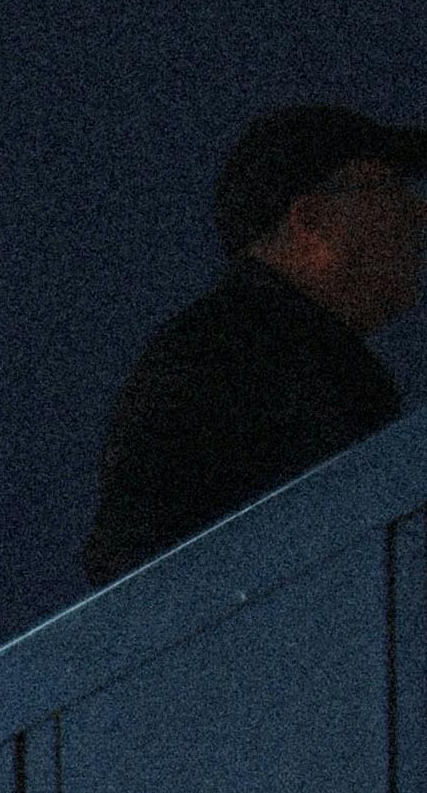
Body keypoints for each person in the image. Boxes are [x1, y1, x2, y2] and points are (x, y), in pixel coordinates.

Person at [81, 102, 427, 587]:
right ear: (310, 221)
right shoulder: (236, 356)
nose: (417, 210)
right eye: (387, 186)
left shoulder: (235, 348)